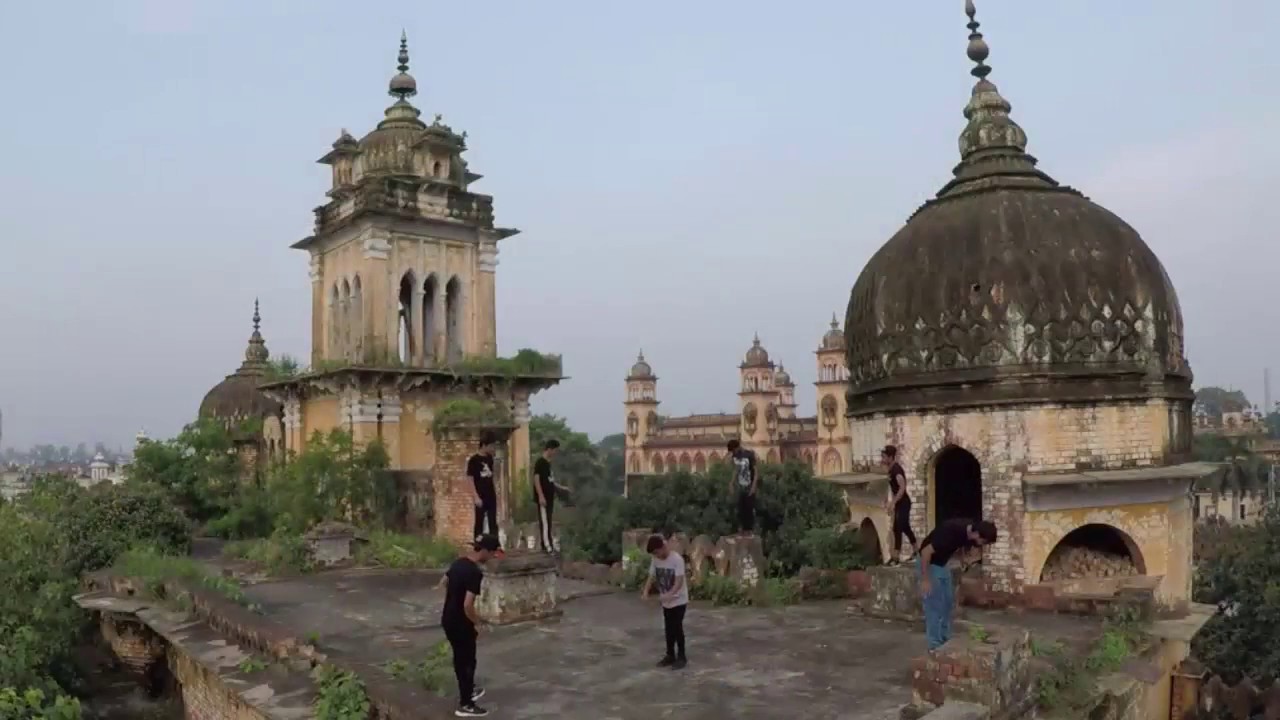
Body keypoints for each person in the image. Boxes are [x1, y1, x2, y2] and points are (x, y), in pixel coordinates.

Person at [441, 534, 500, 717]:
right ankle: (466, 703)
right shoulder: (474, 573)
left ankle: (468, 690)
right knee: (467, 661)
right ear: (485, 551)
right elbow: (468, 605)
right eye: (492, 554)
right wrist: (478, 622)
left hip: (448, 618)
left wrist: (452, 599)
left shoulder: (458, 563)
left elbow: (443, 582)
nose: (491, 558)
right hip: (460, 621)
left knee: (460, 658)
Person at [918, 518, 998, 650]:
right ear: (977, 534)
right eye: (983, 542)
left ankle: (945, 639)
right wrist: (926, 579)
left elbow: (960, 544)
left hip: (942, 565)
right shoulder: (949, 532)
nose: (982, 545)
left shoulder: (969, 531)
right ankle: (935, 646)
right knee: (935, 606)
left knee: (948, 603)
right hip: (928, 564)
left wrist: (963, 559)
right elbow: (925, 552)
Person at [641, 534, 689, 669]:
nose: (656, 556)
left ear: (662, 547)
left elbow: (679, 581)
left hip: (679, 600)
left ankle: (682, 657)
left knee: (677, 627)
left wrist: (670, 594)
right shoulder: (655, 559)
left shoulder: (677, 559)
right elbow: (651, 576)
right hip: (666, 601)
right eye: (654, 554)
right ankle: (670, 655)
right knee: (668, 628)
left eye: (657, 552)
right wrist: (646, 591)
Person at [882, 445, 918, 565]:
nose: (883, 459)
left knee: (898, 527)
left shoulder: (896, 470)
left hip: (904, 503)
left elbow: (902, 488)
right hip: (899, 503)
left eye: (885, 457)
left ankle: (896, 557)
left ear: (891, 457)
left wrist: (894, 502)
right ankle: (916, 551)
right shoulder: (891, 470)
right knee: (904, 527)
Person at [467, 433, 500, 547]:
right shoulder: (474, 460)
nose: (492, 449)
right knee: (479, 522)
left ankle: (495, 546)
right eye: (491, 446)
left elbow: (492, 476)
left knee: (493, 522)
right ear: (484, 445)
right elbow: (470, 479)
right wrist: (475, 496)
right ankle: (478, 545)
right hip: (480, 495)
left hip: (491, 494)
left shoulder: (490, 458)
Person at [532, 439, 562, 553]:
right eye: (555, 450)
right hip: (543, 498)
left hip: (549, 497)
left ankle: (548, 543)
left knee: (548, 521)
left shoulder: (548, 464)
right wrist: (540, 496)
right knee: (544, 522)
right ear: (549, 449)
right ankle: (546, 545)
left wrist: (562, 488)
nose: (555, 453)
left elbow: (551, 481)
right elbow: (536, 479)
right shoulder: (540, 462)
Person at [726, 439, 758, 534]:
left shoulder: (749, 455)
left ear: (737, 447)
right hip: (740, 486)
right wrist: (731, 483)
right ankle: (742, 530)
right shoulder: (735, 456)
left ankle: (749, 530)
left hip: (749, 485)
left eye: (734, 450)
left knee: (749, 509)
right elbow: (736, 470)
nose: (733, 452)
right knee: (740, 509)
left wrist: (754, 486)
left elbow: (756, 472)